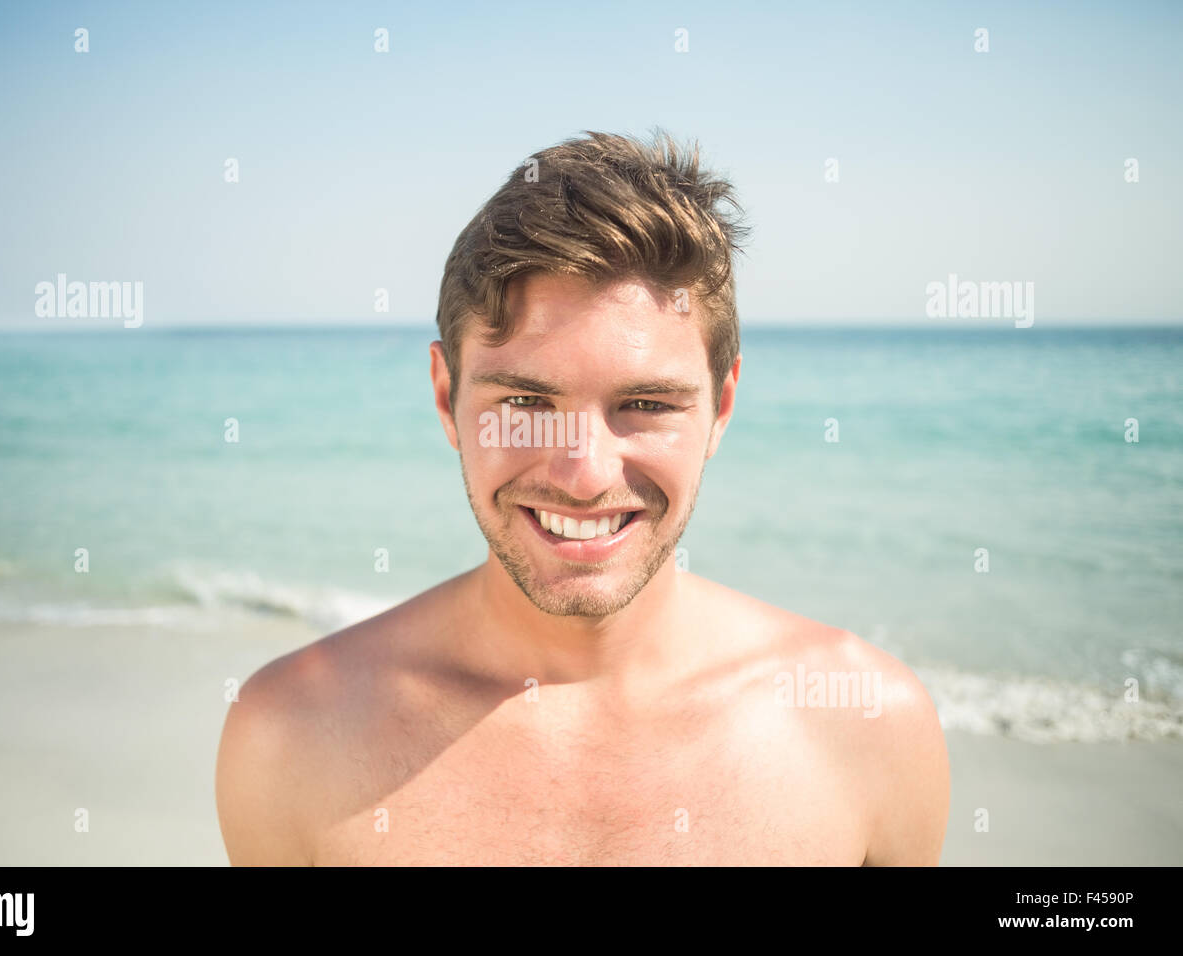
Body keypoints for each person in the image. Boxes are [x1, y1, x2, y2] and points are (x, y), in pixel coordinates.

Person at [216, 129, 950, 865]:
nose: (585, 475)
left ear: (721, 409)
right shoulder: (292, 736)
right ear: (447, 397)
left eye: (647, 404)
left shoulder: (870, 724)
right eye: (529, 402)